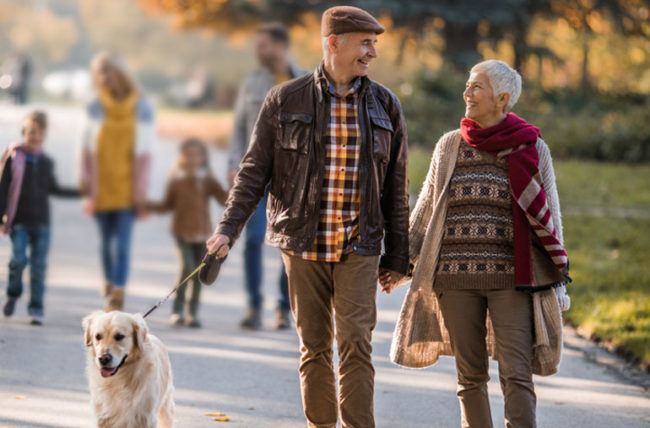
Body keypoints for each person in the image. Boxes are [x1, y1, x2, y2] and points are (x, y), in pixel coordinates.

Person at [208, 7, 409, 427]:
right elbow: (253, 172)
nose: (372, 52)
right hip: (303, 243)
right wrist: (228, 229)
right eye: (365, 43)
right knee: (314, 345)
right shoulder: (285, 99)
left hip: (360, 244)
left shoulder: (385, 105)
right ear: (334, 42)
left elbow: (396, 187)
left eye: (375, 44)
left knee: (356, 342)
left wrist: (397, 258)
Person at [384, 60, 572, 428]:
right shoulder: (450, 145)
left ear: (502, 98)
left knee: (517, 372)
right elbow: (425, 211)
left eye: (476, 87)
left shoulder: (532, 147)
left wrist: (559, 278)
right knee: (469, 377)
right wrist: (399, 263)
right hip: (454, 280)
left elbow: (550, 213)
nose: (466, 94)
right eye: (467, 86)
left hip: (510, 280)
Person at [229, 22, 308, 330]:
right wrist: (233, 165)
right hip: (256, 175)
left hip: (294, 178)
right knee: (251, 238)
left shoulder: (305, 81)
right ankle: (253, 306)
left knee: (288, 243)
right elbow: (238, 128)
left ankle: (282, 307)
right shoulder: (252, 83)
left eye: (262, 45)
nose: (257, 51)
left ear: (279, 45)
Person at [79, 52, 154, 312]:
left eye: (107, 71)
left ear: (120, 73)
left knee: (120, 243)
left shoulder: (141, 106)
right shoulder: (95, 106)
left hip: (127, 187)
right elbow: (87, 148)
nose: (103, 78)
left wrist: (140, 190)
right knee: (105, 242)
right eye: (99, 73)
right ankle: (110, 282)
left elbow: (145, 152)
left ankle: (117, 292)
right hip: (101, 186)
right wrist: (86, 181)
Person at [0, 111, 80, 325]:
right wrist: (1, 216)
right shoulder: (13, 156)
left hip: (42, 224)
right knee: (18, 261)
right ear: (24, 132)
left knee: (39, 267)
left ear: (44, 136)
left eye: (40, 133)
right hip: (19, 222)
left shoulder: (46, 162)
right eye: (32, 132)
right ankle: (13, 293)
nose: (35, 137)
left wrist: (82, 191)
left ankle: (36, 308)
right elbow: (3, 188)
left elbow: (54, 188)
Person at [146, 138, 228, 328]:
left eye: (196, 155)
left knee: (201, 271)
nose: (192, 159)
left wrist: (234, 186)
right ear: (181, 157)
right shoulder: (176, 179)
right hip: (182, 233)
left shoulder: (207, 179)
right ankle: (177, 310)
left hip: (203, 235)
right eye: (188, 155)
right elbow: (167, 205)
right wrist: (146, 205)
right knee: (187, 267)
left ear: (203, 158)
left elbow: (223, 199)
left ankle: (193, 313)